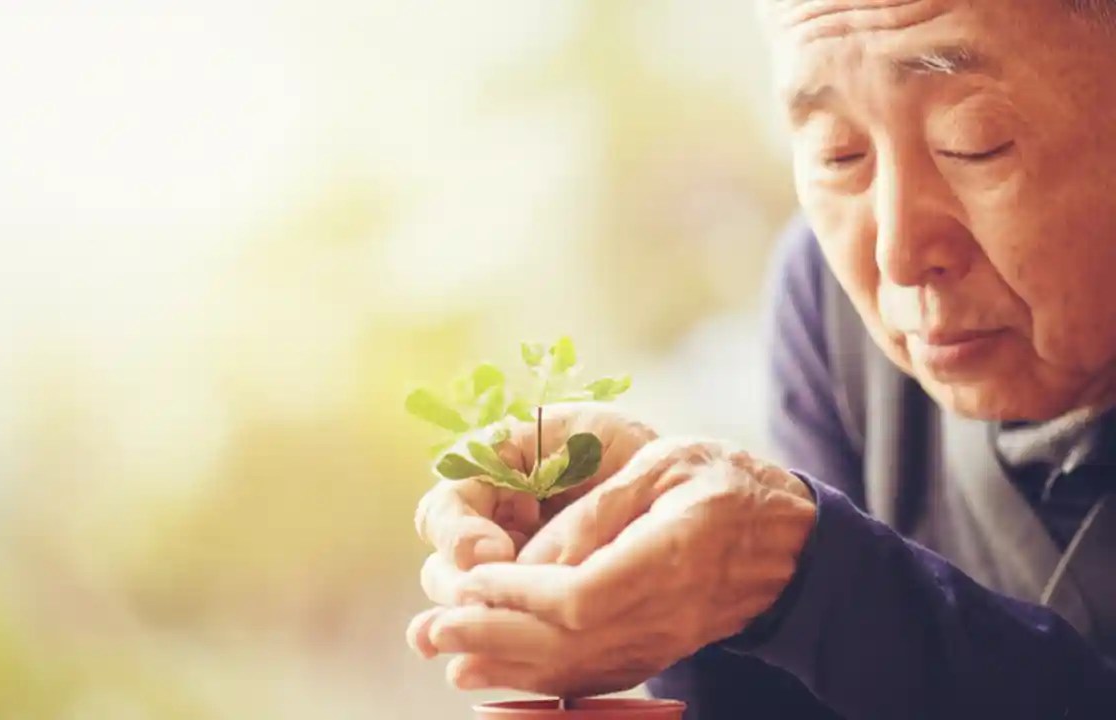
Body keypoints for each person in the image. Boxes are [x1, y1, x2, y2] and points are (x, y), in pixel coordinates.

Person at [405, 1, 1116, 718]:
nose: (896, 254)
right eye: (839, 155)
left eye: (976, 143)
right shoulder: (828, 311)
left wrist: (813, 575)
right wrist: (688, 586)